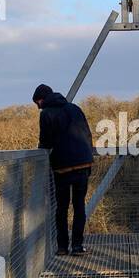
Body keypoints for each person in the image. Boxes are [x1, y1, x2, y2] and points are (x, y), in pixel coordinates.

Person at [33, 83, 94, 255]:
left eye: (37, 103)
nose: (38, 107)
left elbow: (45, 141)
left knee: (62, 207)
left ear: (40, 100)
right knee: (79, 206)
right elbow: (88, 134)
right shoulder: (75, 108)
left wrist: (43, 153)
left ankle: (61, 247)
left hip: (62, 167)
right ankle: (77, 246)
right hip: (83, 162)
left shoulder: (46, 113)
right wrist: (88, 158)